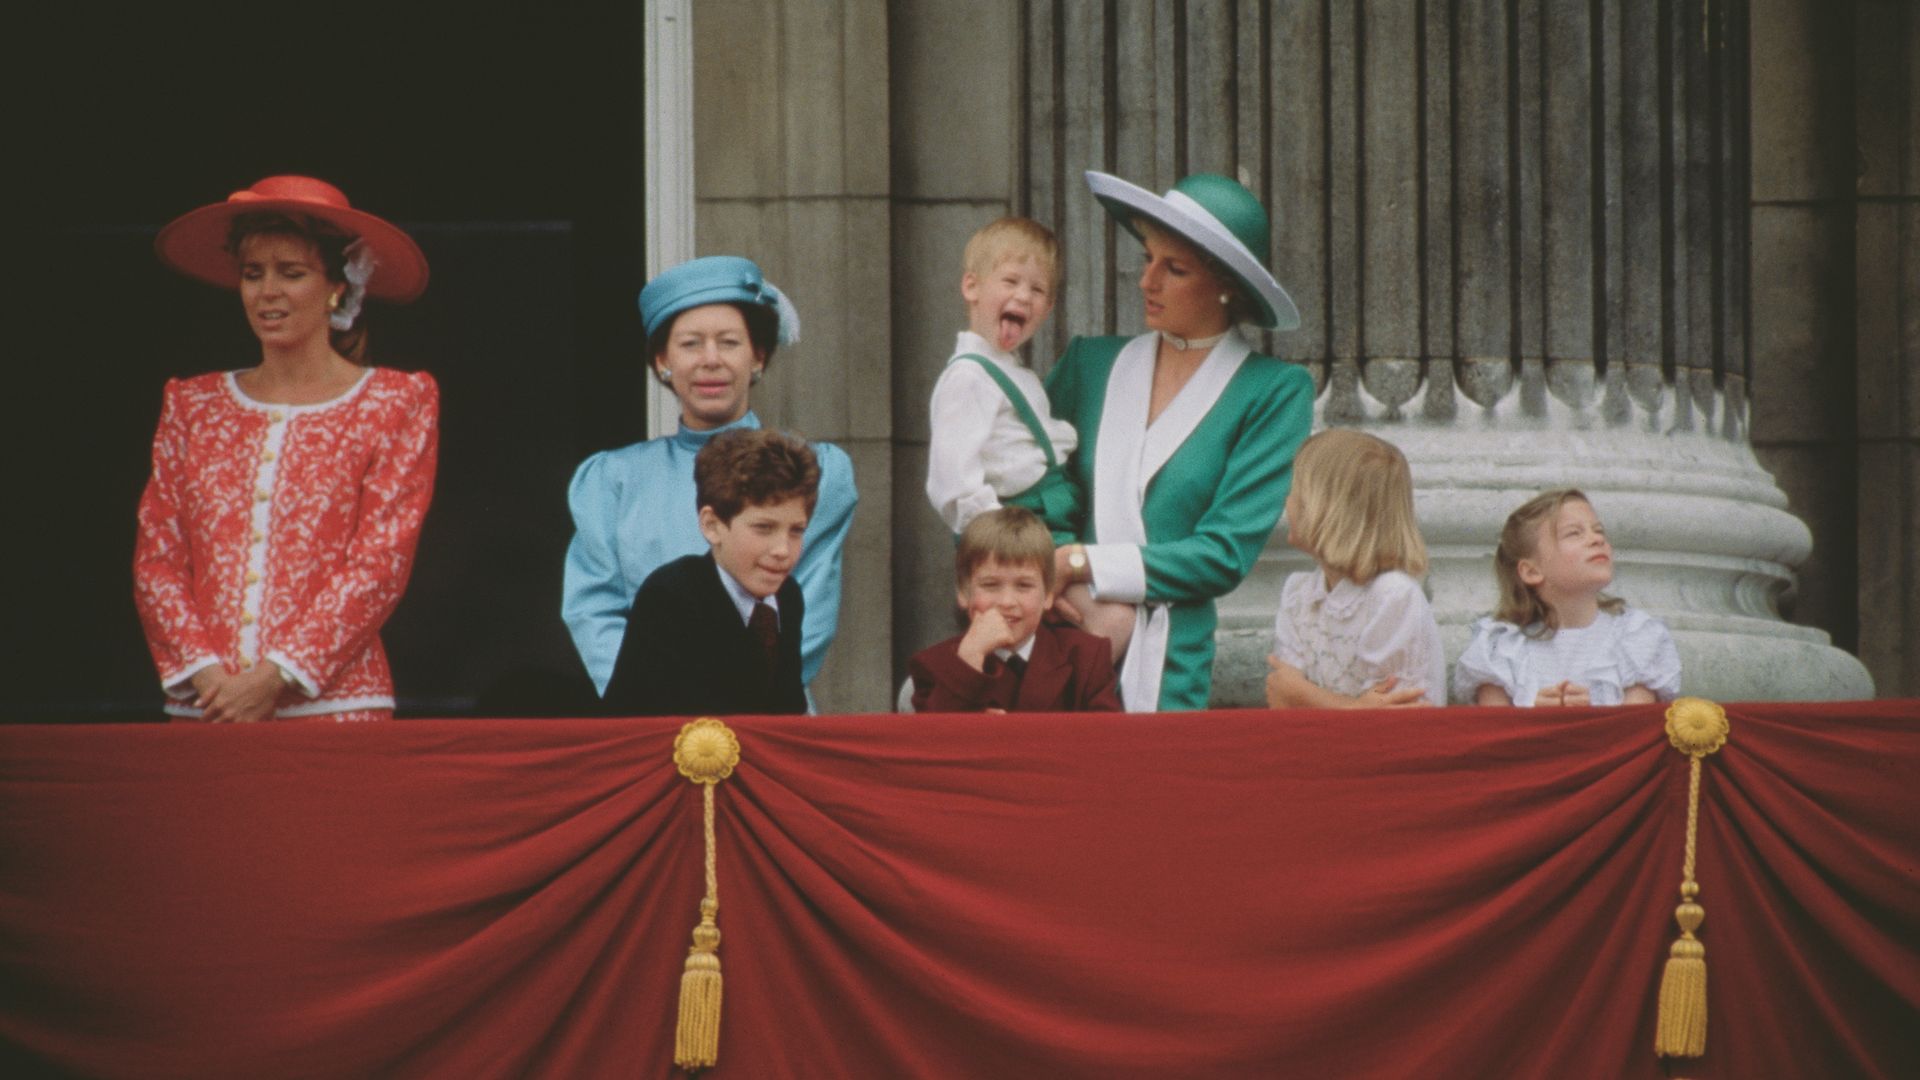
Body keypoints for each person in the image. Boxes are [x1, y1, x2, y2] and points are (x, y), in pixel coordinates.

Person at [134, 176, 437, 723]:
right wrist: (207, 676)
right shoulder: (192, 404)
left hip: (336, 710)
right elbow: (157, 558)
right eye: (253, 274)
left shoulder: (396, 400)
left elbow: (380, 563)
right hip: (208, 708)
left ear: (338, 286)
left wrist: (275, 677)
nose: (267, 290)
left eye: (291, 273)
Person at [1045, 171, 1314, 711]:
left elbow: (1224, 554)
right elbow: (1028, 483)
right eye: (1148, 258)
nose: (1147, 281)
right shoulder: (1089, 365)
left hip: (1168, 666)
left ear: (1227, 285)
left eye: (1175, 268)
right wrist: (1048, 559)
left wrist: (1082, 563)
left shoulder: (1272, 392)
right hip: (1055, 638)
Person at [564, 255, 857, 699]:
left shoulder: (815, 471)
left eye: (729, 342)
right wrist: (658, 703)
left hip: (766, 719)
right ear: (662, 359)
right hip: (651, 725)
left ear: (758, 355)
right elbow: (594, 612)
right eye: (691, 344)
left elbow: (807, 614)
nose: (711, 360)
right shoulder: (612, 480)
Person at [923, 216, 1133, 656]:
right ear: (972, 287)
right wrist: (1011, 561)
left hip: (1051, 524)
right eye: (1011, 281)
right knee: (1112, 621)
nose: (1023, 295)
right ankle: (1061, 712)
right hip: (1019, 534)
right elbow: (953, 483)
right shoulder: (968, 378)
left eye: (1037, 290)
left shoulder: (1011, 371)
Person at [601, 429, 818, 717]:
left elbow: (787, 710)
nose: (782, 549)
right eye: (764, 528)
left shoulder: (788, 596)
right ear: (712, 526)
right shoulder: (671, 595)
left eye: (796, 531)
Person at [1263, 430, 1445, 709]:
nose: (1286, 503)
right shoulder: (1300, 593)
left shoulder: (1392, 595)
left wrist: (1315, 698)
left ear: (1327, 509)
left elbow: (1391, 724)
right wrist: (1353, 708)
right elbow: (1280, 702)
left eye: (1294, 492)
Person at [1452, 489, 1682, 706]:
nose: (1596, 540)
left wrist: (1594, 716)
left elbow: (1635, 731)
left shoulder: (1635, 638)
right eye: (1574, 533)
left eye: (1598, 530)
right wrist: (1531, 718)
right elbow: (1493, 734)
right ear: (1531, 571)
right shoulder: (1500, 647)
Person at [908, 507, 1122, 713]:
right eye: (990, 585)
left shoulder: (1086, 657)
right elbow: (934, 741)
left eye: (1023, 586)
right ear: (964, 593)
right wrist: (969, 658)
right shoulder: (933, 665)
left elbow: (1105, 741)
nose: (1007, 601)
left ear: (1048, 595)